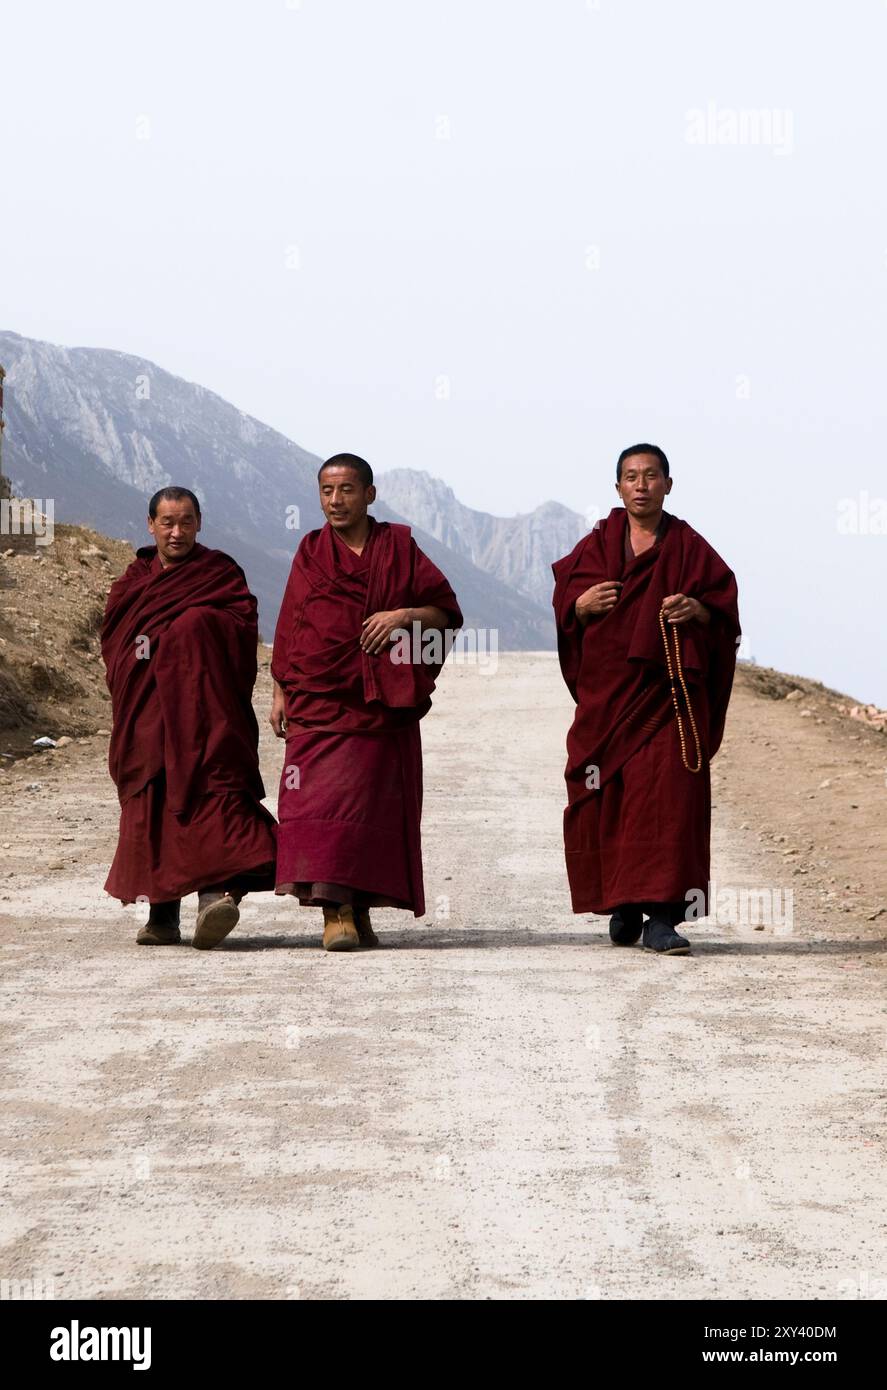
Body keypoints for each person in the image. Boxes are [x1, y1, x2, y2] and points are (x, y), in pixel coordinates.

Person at [552, 444, 740, 955]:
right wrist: (579, 605)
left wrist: (698, 611)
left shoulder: (688, 547)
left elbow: (725, 611)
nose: (641, 485)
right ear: (617, 488)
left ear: (668, 484)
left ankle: (661, 916)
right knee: (608, 797)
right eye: (631, 477)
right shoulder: (597, 544)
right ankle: (621, 901)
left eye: (651, 476)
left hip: (667, 700)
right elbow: (566, 600)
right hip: (608, 700)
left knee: (667, 801)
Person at [270, 453, 462, 951]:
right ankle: (333, 910)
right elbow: (291, 624)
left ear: (370, 494)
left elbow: (445, 613)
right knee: (316, 801)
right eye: (327, 491)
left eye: (347, 490)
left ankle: (358, 903)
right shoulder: (310, 552)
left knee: (370, 806)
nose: (336, 501)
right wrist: (280, 689)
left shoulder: (398, 548)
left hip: (380, 702)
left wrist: (403, 615)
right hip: (318, 697)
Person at [102, 487, 277, 948]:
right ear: (150, 525)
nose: (176, 532)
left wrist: (193, 630)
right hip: (148, 712)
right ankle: (162, 914)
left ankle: (212, 899)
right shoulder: (132, 583)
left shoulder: (218, 573)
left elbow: (243, 633)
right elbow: (118, 646)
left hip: (206, 711)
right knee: (155, 796)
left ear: (199, 523)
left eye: (186, 522)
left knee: (209, 791)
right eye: (167, 522)